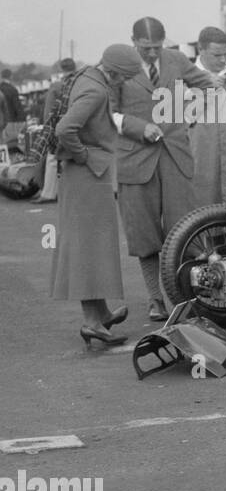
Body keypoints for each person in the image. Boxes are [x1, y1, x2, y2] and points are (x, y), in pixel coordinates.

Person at [116, 16, 215, 322]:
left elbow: (207, 85)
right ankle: (155, 299)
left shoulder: (175, 59)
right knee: (145, 235)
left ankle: (183, 297)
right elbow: (108, 111)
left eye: (156, 48)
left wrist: (189, 116)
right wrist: (137, 127)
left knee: (183, 230)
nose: (150, 54)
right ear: (133, 41)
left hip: (175, 155)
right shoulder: (118, 65)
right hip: (136, 160)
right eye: (145, 48)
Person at [50, 46, 143, 347]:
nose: (123, 84)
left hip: (84, 178)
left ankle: (100, 313)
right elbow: (65, 129)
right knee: (90, 247)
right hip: (88, 176)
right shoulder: (97, 92)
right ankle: (91, 322)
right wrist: (85, 156)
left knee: (91, 247)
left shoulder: (87, 77)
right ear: (114, 72)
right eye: (124, 78)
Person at [189, 27, 226, 208]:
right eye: (216, 55)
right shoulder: (183, 77)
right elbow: (174, 118)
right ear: (200, 50)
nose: (223, 60)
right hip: (198, 159)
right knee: (201, 214)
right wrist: (201, 88)